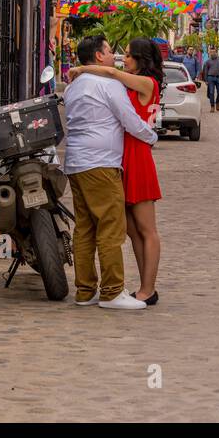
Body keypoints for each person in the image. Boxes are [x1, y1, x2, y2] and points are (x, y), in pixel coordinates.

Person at [67, 37, 164, 306]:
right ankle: (128, 288)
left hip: (136, 156)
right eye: (116, 53)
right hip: (119, 156)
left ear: (142, 59)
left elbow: (110, 71)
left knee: (144, 229)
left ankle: (147, 288)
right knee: (130, 229)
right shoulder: (119, 83)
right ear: (98, 55)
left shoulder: (145, 82)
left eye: (129, 55)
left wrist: (82, 69)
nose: (123, 58)